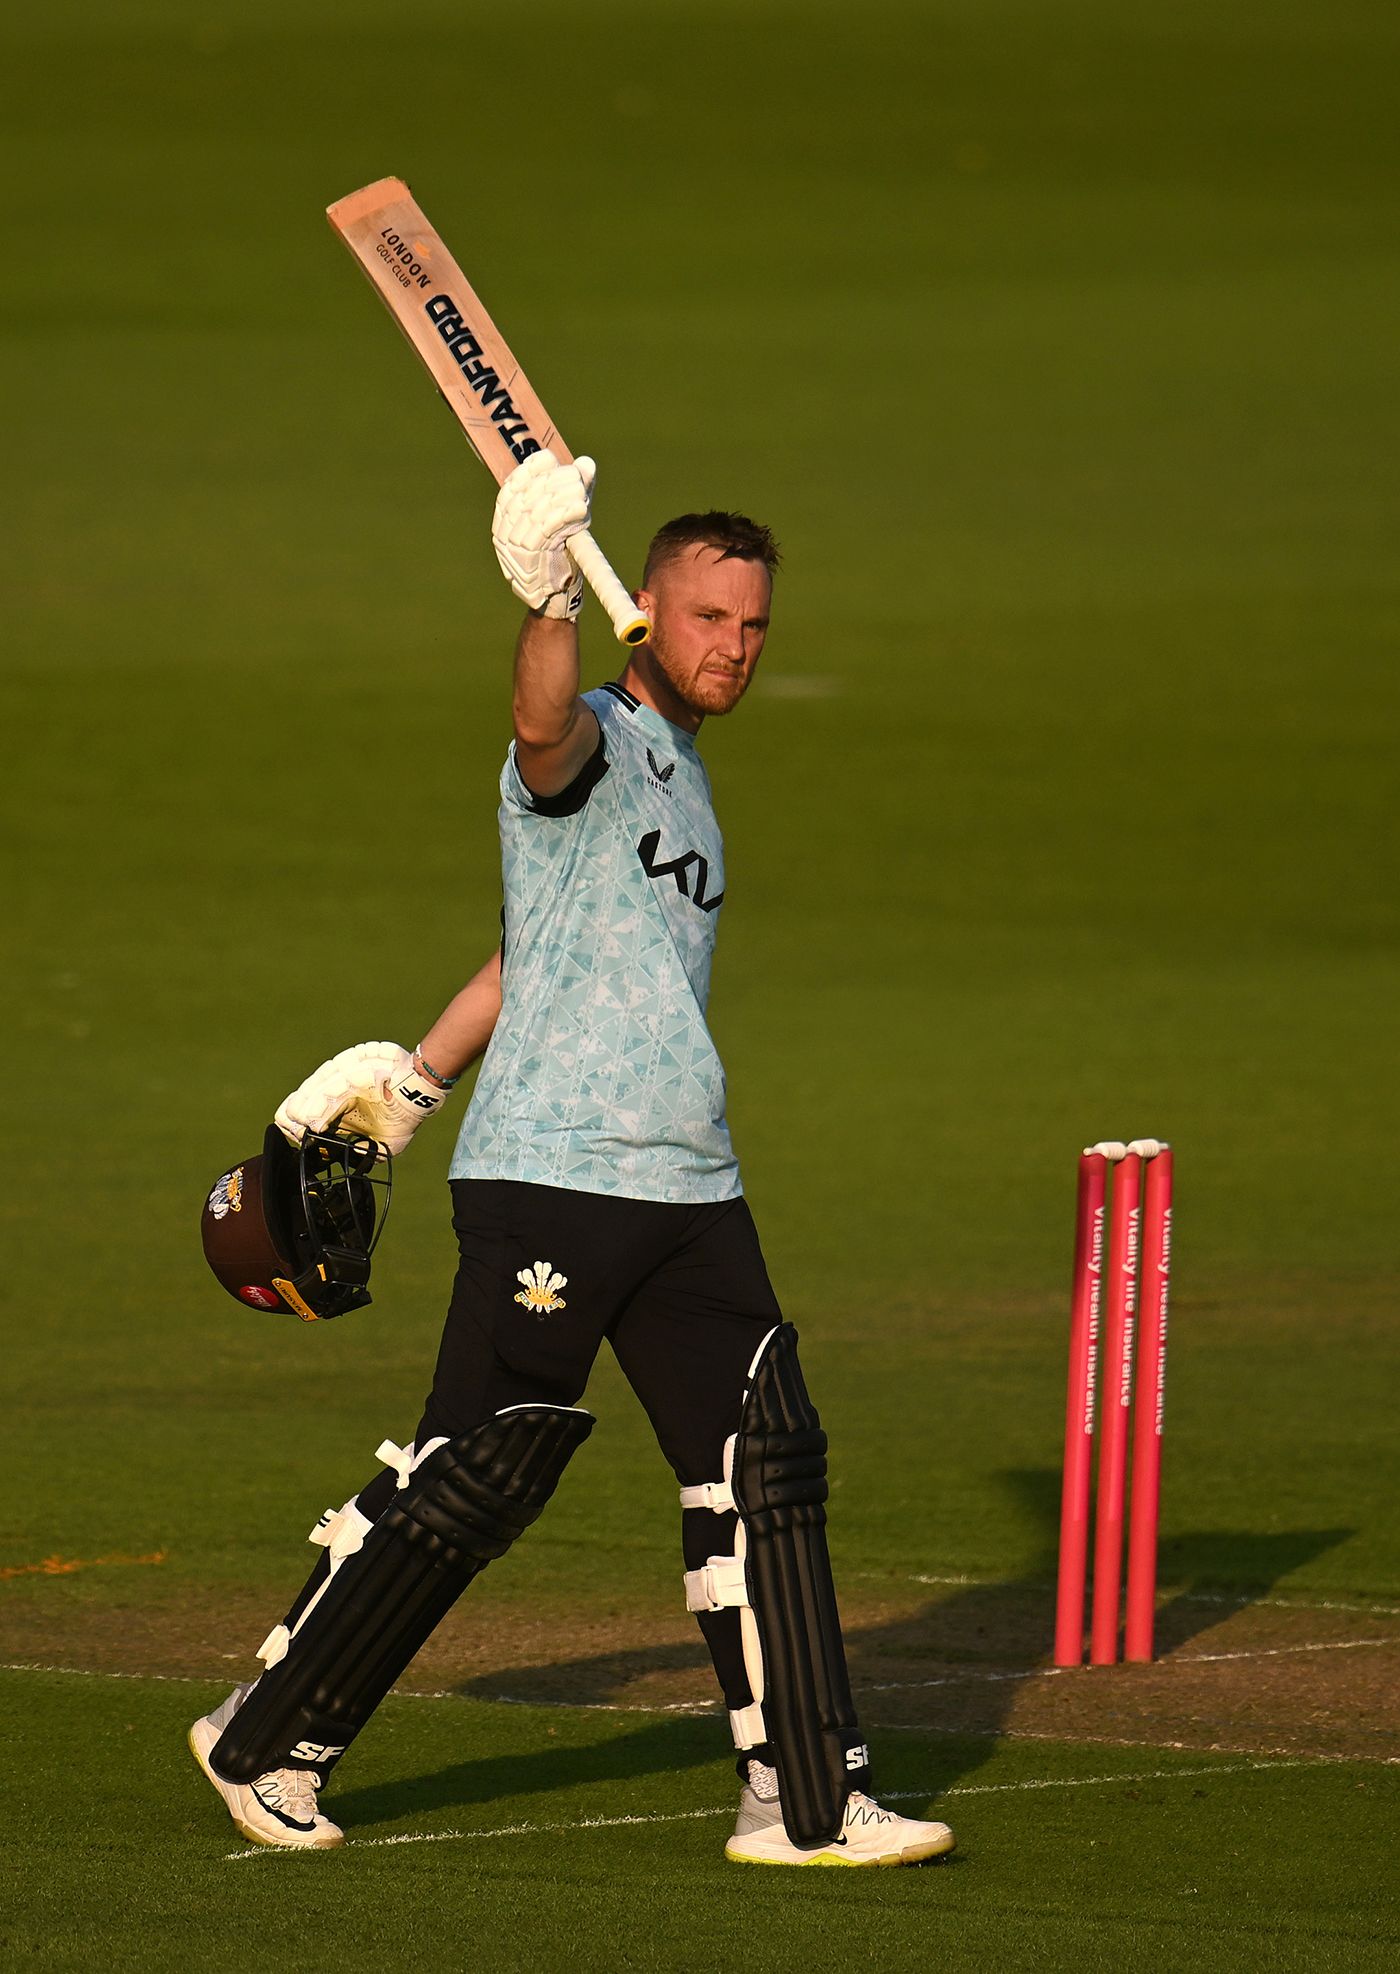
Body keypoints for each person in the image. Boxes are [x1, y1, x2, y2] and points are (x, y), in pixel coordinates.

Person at [190, 452, 955, 1868]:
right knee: (482, 1464)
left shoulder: (687, 780)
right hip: (555, 1170)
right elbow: (539, 728)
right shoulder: (593, 735)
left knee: (765, 1459)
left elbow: (522, 957)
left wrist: (412, 1081)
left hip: (686, 1182)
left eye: (754, 625)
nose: (734, 645)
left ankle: (801, 1801)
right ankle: (266, 1737)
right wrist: (544, 595)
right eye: (709, 616)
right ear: (646, 608)